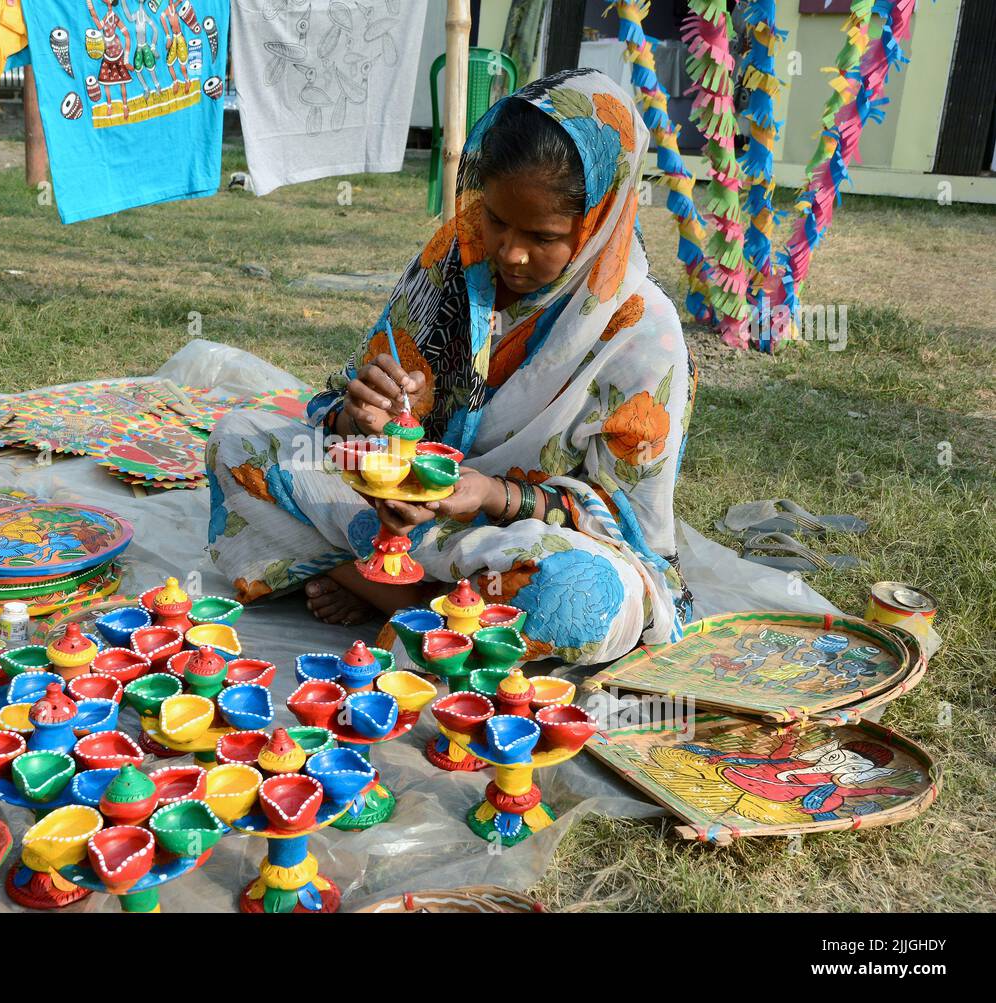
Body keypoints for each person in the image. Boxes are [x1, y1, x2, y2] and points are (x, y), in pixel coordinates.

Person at [206, 70, 695, 665]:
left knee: (582, 594)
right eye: (495, 219)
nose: (509, 253)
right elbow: (350, 421)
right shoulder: (453, 263)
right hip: (397, 516)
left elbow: (627, 520)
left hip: (509, 542)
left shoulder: (643, 336)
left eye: (542, 236)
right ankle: (427, 608)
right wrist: (363, 422)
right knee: (239, 443)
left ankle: (393, 592)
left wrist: (493, 495)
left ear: (598, 222)